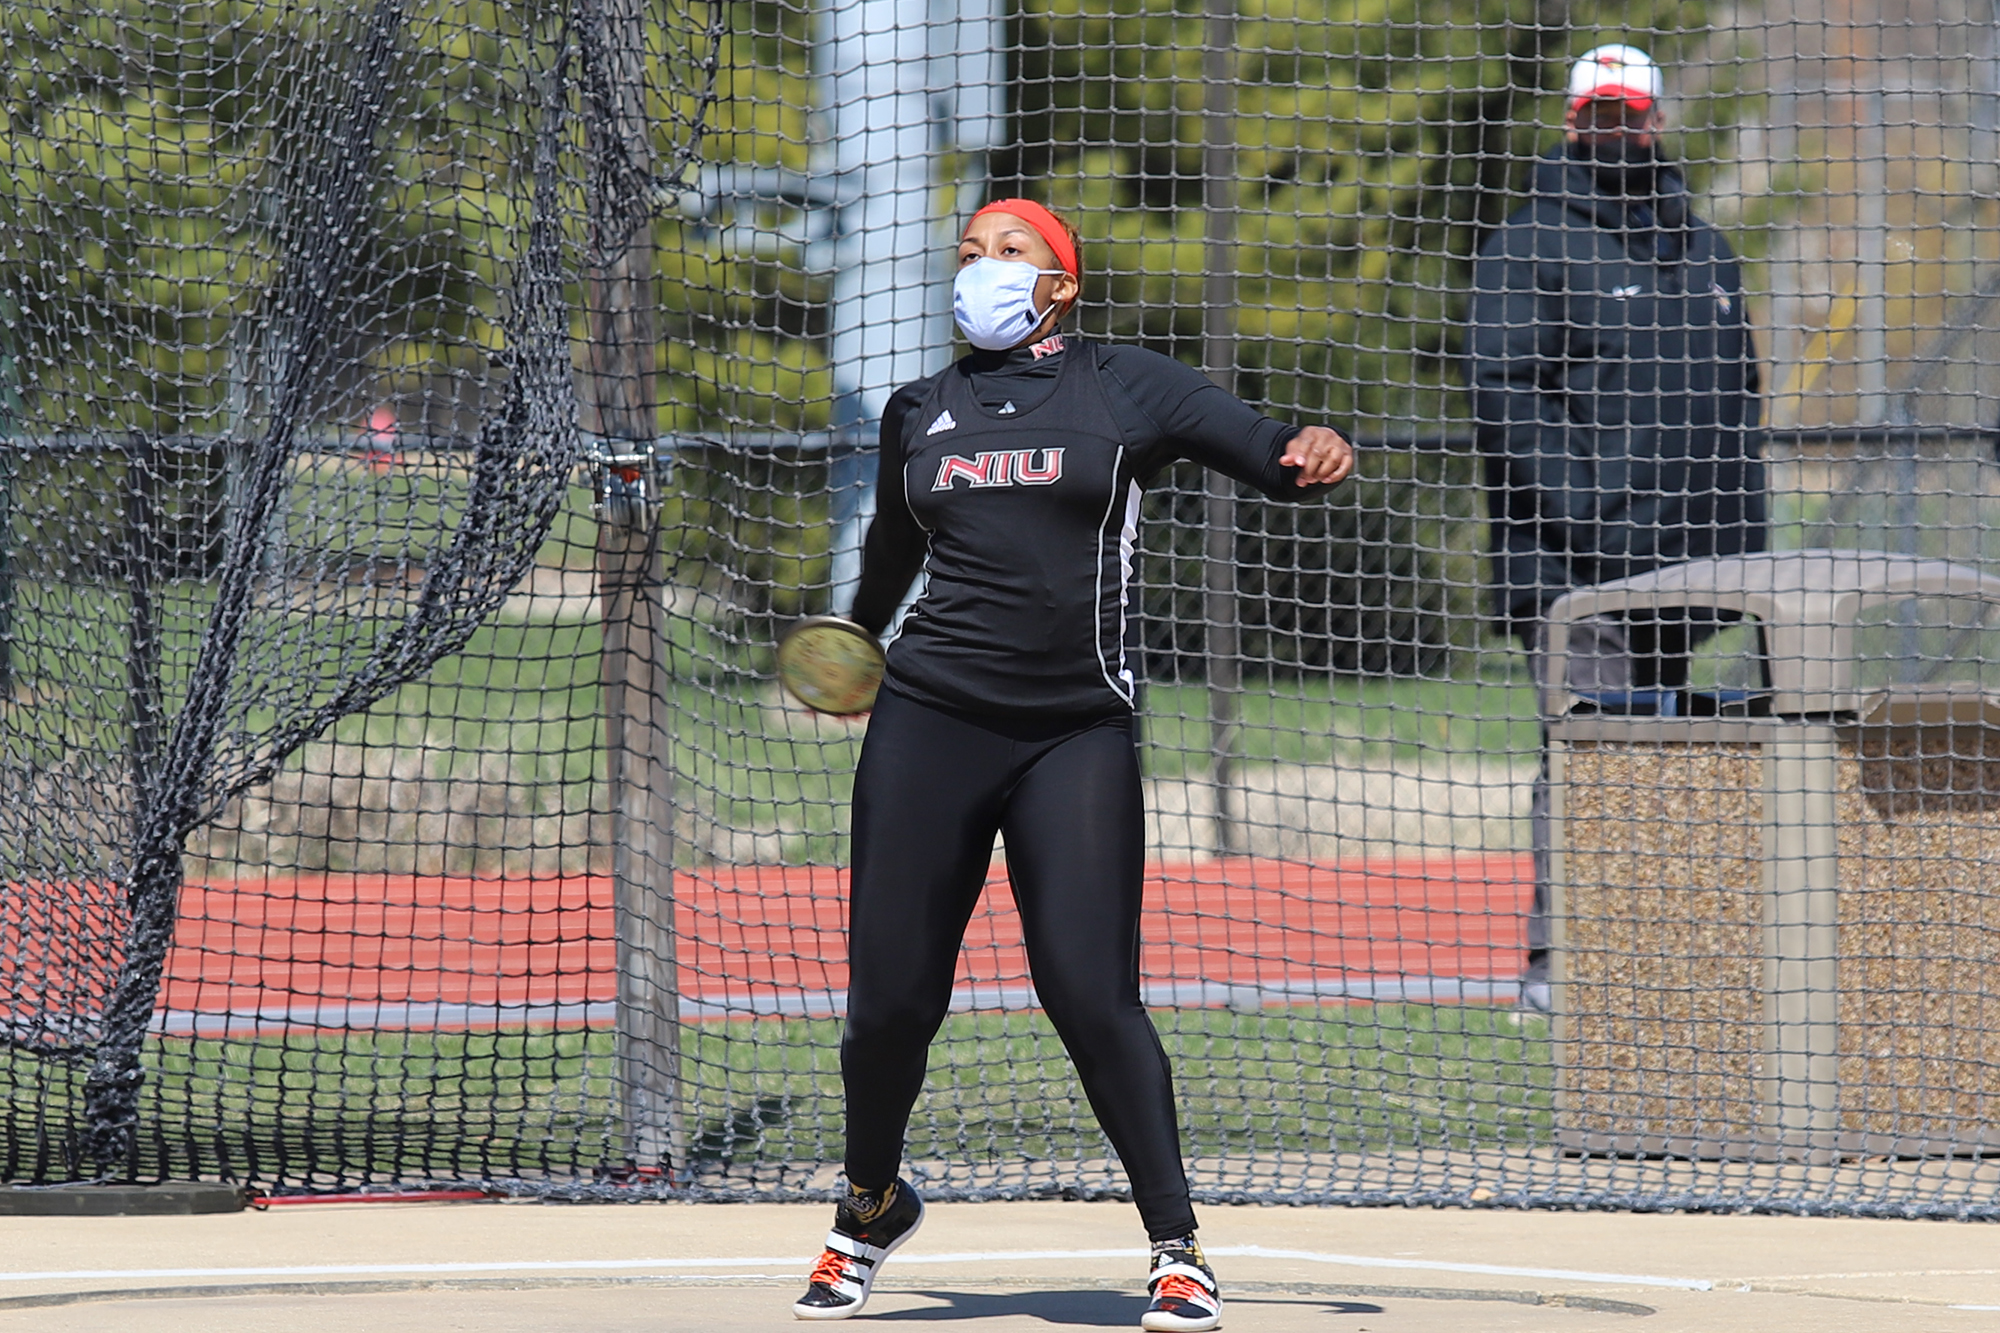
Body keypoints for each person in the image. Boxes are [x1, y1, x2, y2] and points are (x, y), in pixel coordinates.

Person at [790, 198, 1354, 1329]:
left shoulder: (1123, 385)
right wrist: (850, 645)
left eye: (1010, 252)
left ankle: (1176, 1246)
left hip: (1073, 728)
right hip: (929, 718)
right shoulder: (920, 409)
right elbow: (892, 553)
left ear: (1061, 283)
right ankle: (869, 1205)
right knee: (889, 1004)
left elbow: (1266, 451)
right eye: (969, 252)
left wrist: (1310, 450)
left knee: (1090, 994)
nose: (982, 268)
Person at [1467, 44, 1767, 1009]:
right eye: (1596, 115)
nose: (1613, 130)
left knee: (1683, 764)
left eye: (1627, 115)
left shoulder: (1708, 251)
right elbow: (1506, 396)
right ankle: (1559, 965)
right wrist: (1595, 517)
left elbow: (1739, 397)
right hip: (1578, 571)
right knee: (1590, 755)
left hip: (1694, 570)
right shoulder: (1527, 246)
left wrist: (1738, 539)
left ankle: (1664, 959)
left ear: (1656, 121)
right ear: (1570, 122)